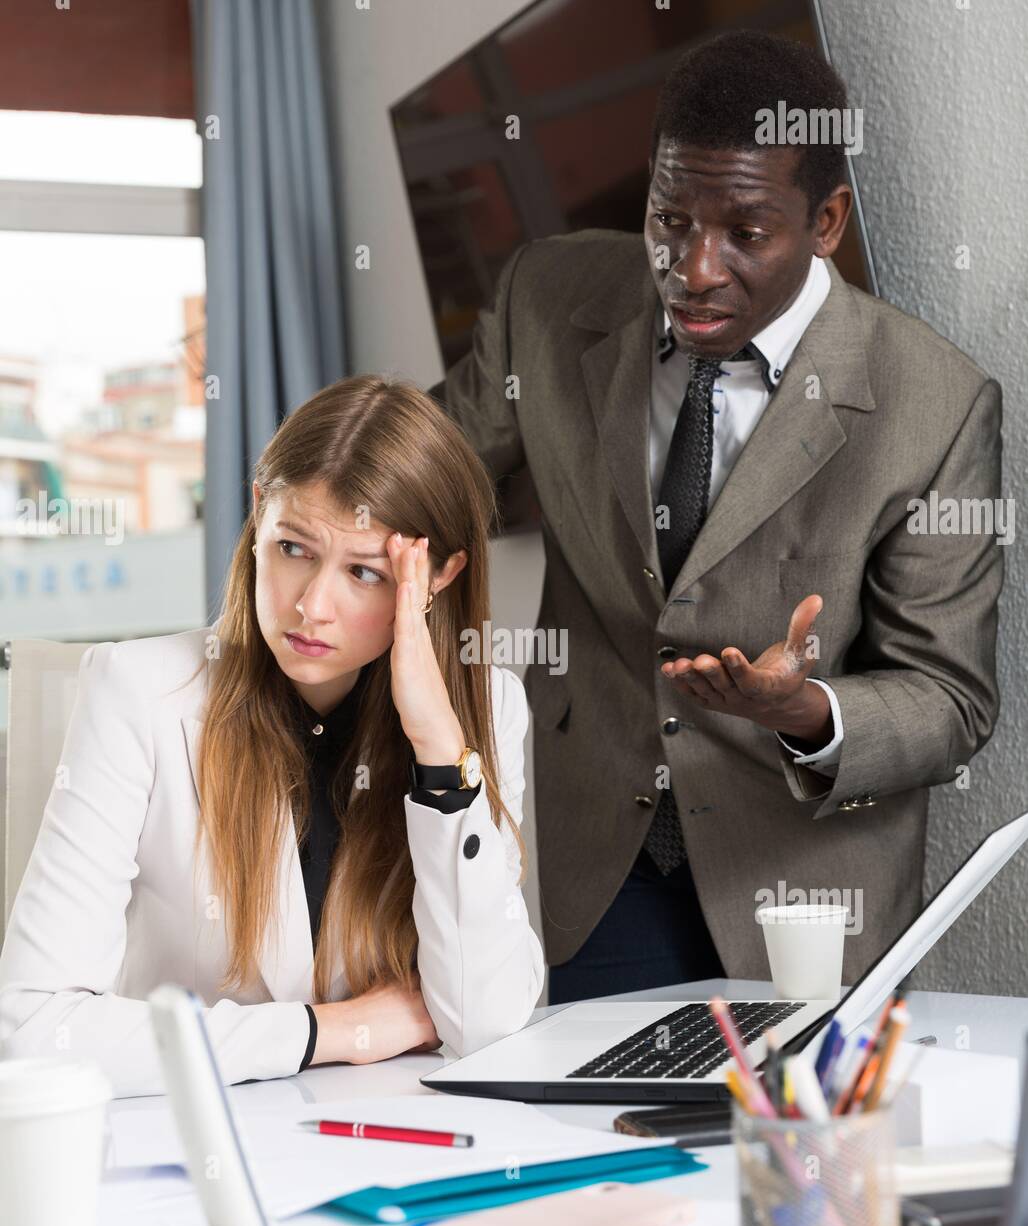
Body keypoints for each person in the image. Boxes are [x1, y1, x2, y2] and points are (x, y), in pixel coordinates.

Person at [430, 30, 1003, 1003]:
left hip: (807, 891)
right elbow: (421, 473)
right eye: (670, 220)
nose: (692, 269)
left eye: (745, 232)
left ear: (825, 222)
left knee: (795, 1116)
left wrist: (805, 712)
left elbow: (949, 698)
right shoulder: (548, 296)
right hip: (598, 867)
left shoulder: (935, 403)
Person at [0, 375, 544, 1096]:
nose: (312, 606)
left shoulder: (485, 710)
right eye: (293, 548)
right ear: (258, 514)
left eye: (364, 572)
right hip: (189, 1129)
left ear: (438, 577)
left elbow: (487, 1022)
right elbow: (33, 1027)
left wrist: (439, 755)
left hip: (390, 1129)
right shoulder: (134, 691)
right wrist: (328, 1031)